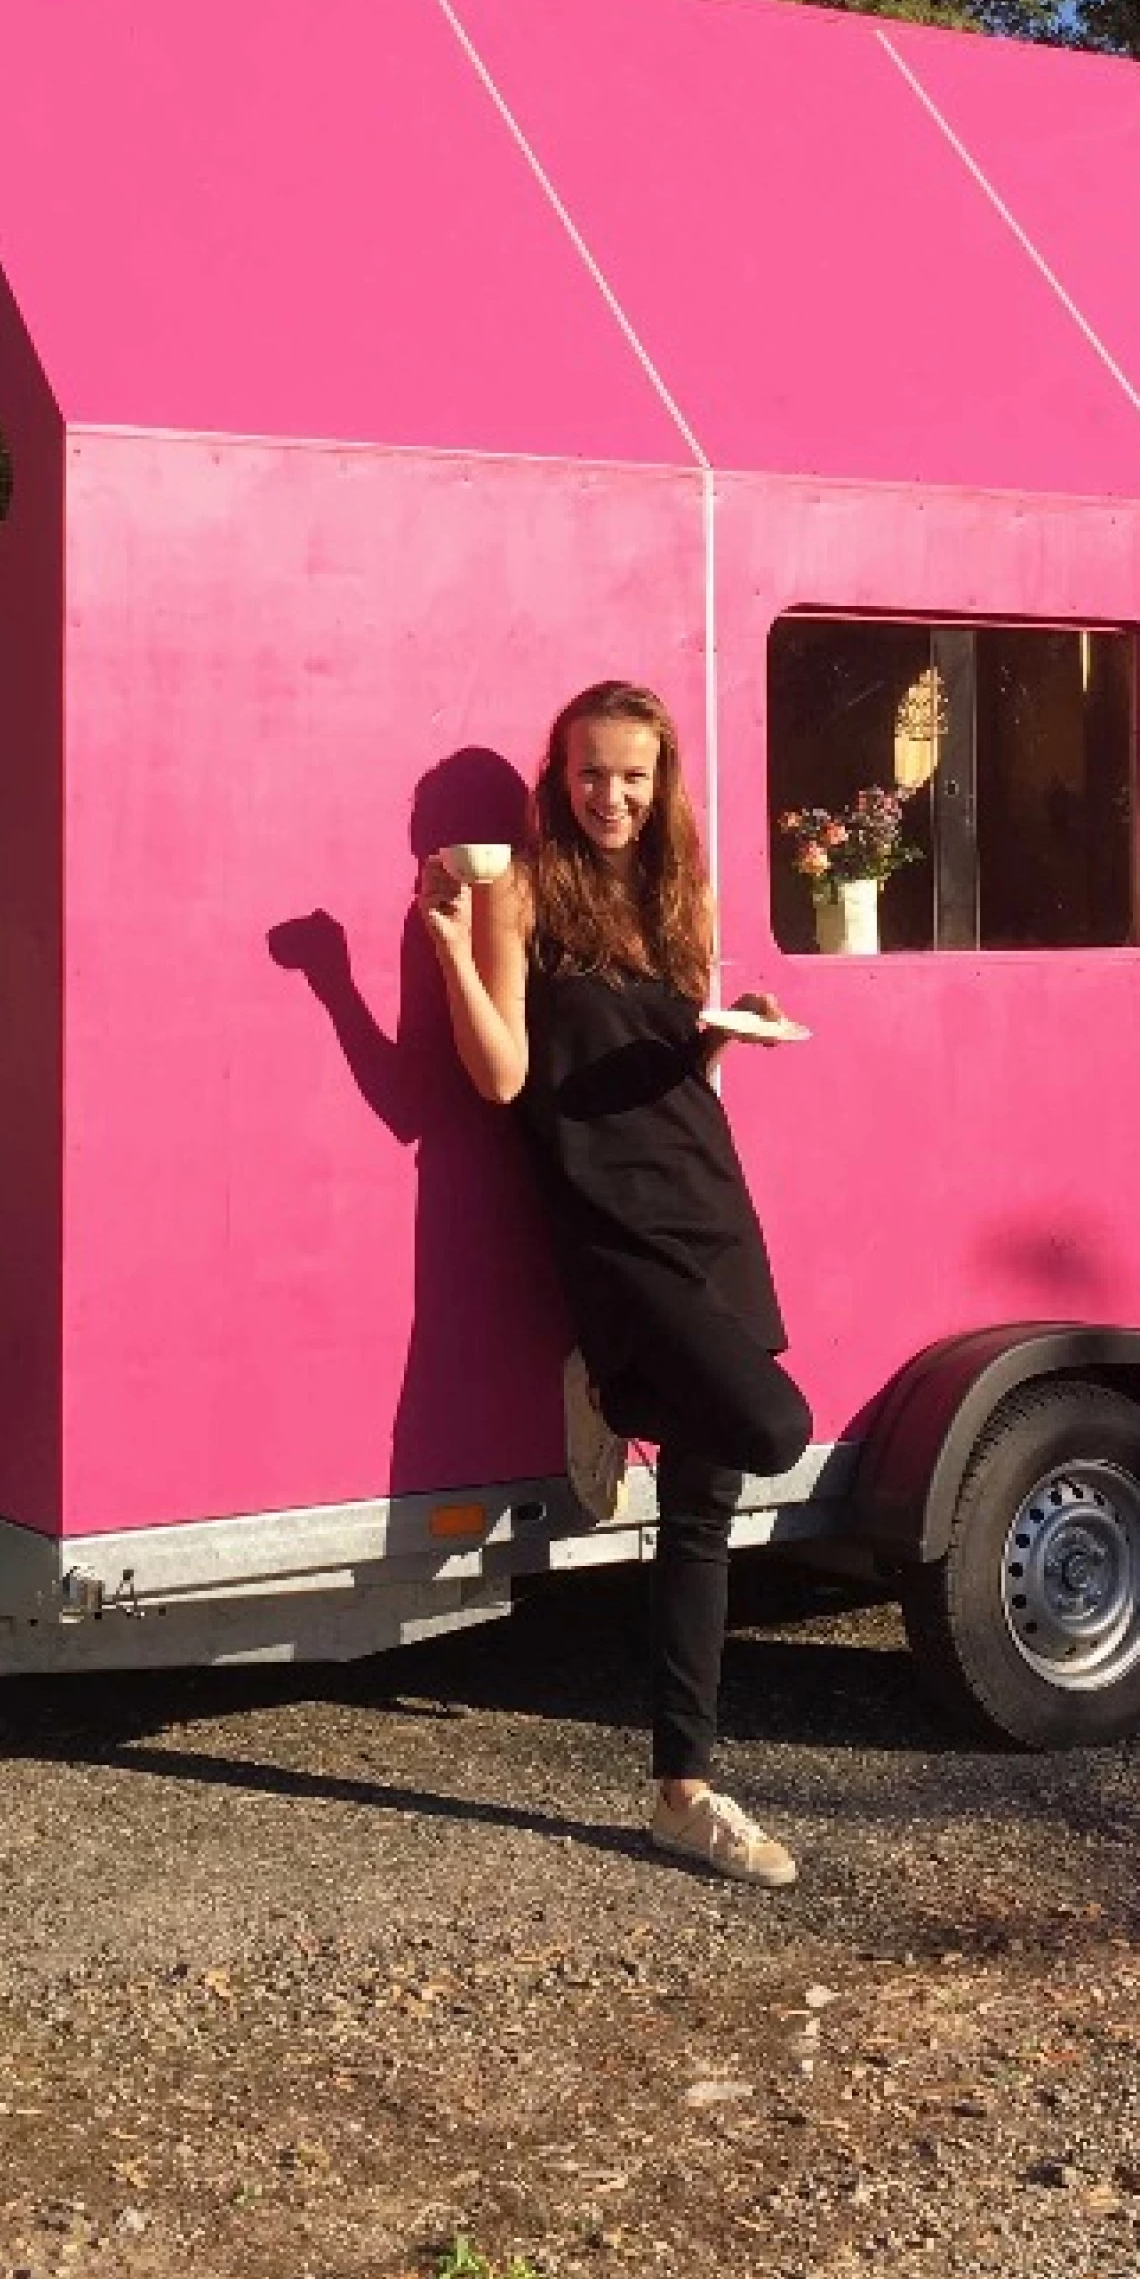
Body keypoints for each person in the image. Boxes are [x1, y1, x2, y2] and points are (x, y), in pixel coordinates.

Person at [418, 679, 815, 1888]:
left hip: (708, 1200)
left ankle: (682, 1792)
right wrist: (448, 944)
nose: (612, 796)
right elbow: (501, 1078)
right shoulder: (525, 888)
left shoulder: (674, 888)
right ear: (561, 776)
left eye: (633, 775)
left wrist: (726, 1033)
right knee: (773, 1426)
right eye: (592, 772)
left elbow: (666, 1060)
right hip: (611, 1219)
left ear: (661, 782)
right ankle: (613, 1383)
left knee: (704, 1511)